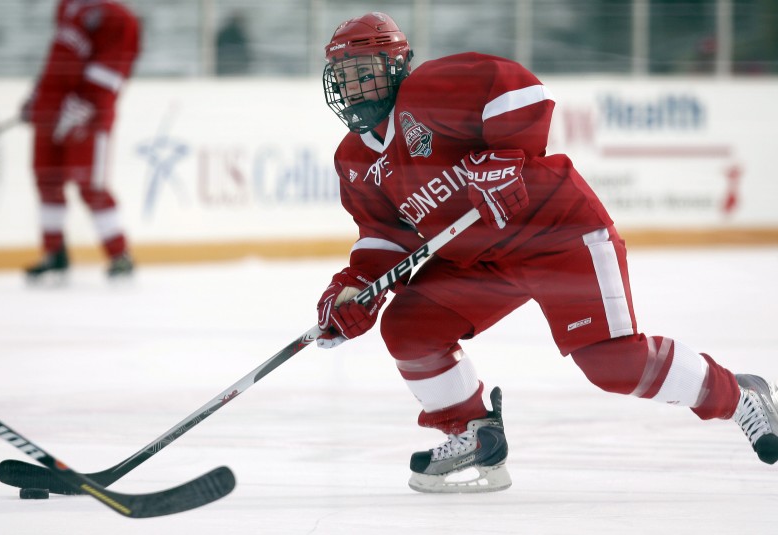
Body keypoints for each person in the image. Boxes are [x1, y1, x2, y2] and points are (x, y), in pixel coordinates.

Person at [315, 12, 778, 494]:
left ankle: (740, 396)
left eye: (365, 71)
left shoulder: (430, 90)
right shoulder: (353, 159)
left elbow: (520, 90)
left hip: (557, 236)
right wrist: (358, 289)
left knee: (611, 365)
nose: (355, 87)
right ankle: (472, 433)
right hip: (480, 263)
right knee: (409, 326)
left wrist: (507, 155)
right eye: (345, 77)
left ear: (397, 67)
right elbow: (386, 236)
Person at [22, 0, 140, 280]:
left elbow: (114, 67)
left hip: (88, 116)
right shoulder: (66, 6)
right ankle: (54, 253)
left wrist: (85, 104)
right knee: (47, 180)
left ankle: (119, 254)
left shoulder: (118, 16)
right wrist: (39, 96)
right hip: (51, 112)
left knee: (91, 184)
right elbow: (59, 57)